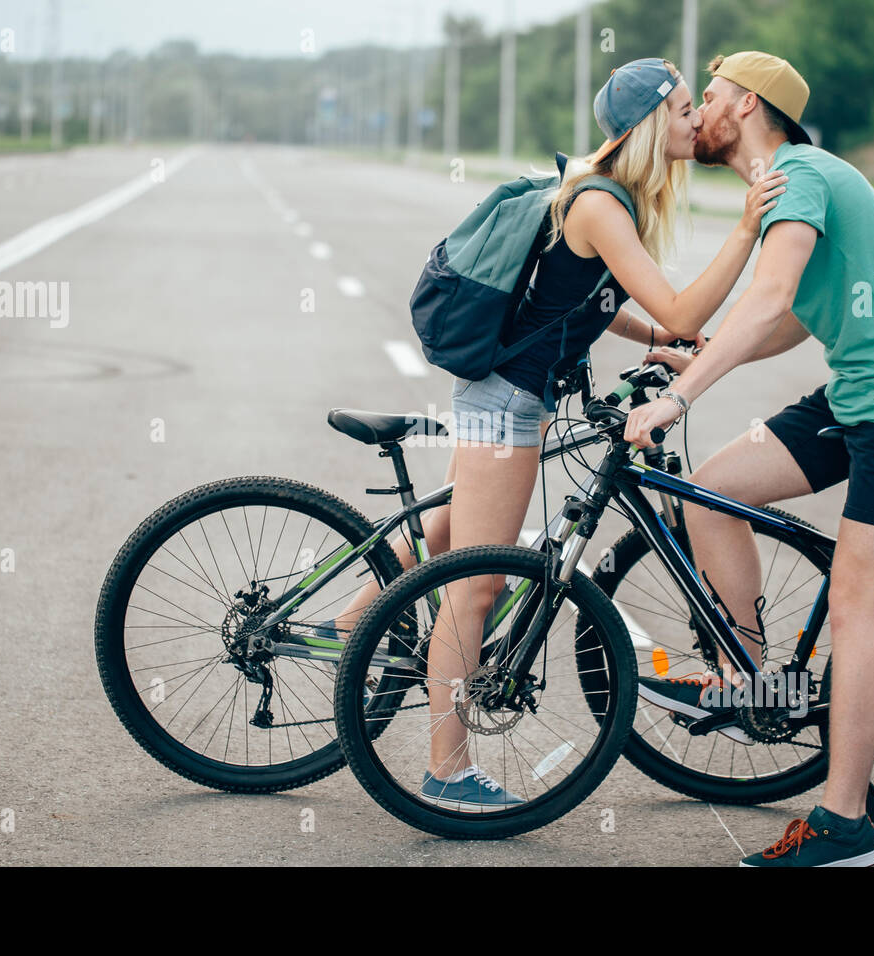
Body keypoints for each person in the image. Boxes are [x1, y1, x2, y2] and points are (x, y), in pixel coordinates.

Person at [321, 57, 787, 810]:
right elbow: (685, 311)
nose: (694, 123)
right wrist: (745, 229)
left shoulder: (608, 198)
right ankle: (448, 769)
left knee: (452, 537)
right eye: (680, 113)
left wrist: (646, 339)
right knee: (477, 586)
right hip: (506, 404)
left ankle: (352, 623)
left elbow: (583, 296)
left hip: (514, 396)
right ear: (645, 126)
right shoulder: (601, 203)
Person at [624, 51, 874, 866]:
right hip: (859, 394)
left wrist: (681, 398)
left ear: (746, 105)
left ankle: (845, 825)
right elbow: (797, 317)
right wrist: (702, 359)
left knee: (858, 606)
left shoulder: (799, 173)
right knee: (706, 489)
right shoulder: (784, 184)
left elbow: (773, 298)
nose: (696, 112)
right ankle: (746, 675)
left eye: (707, 98)